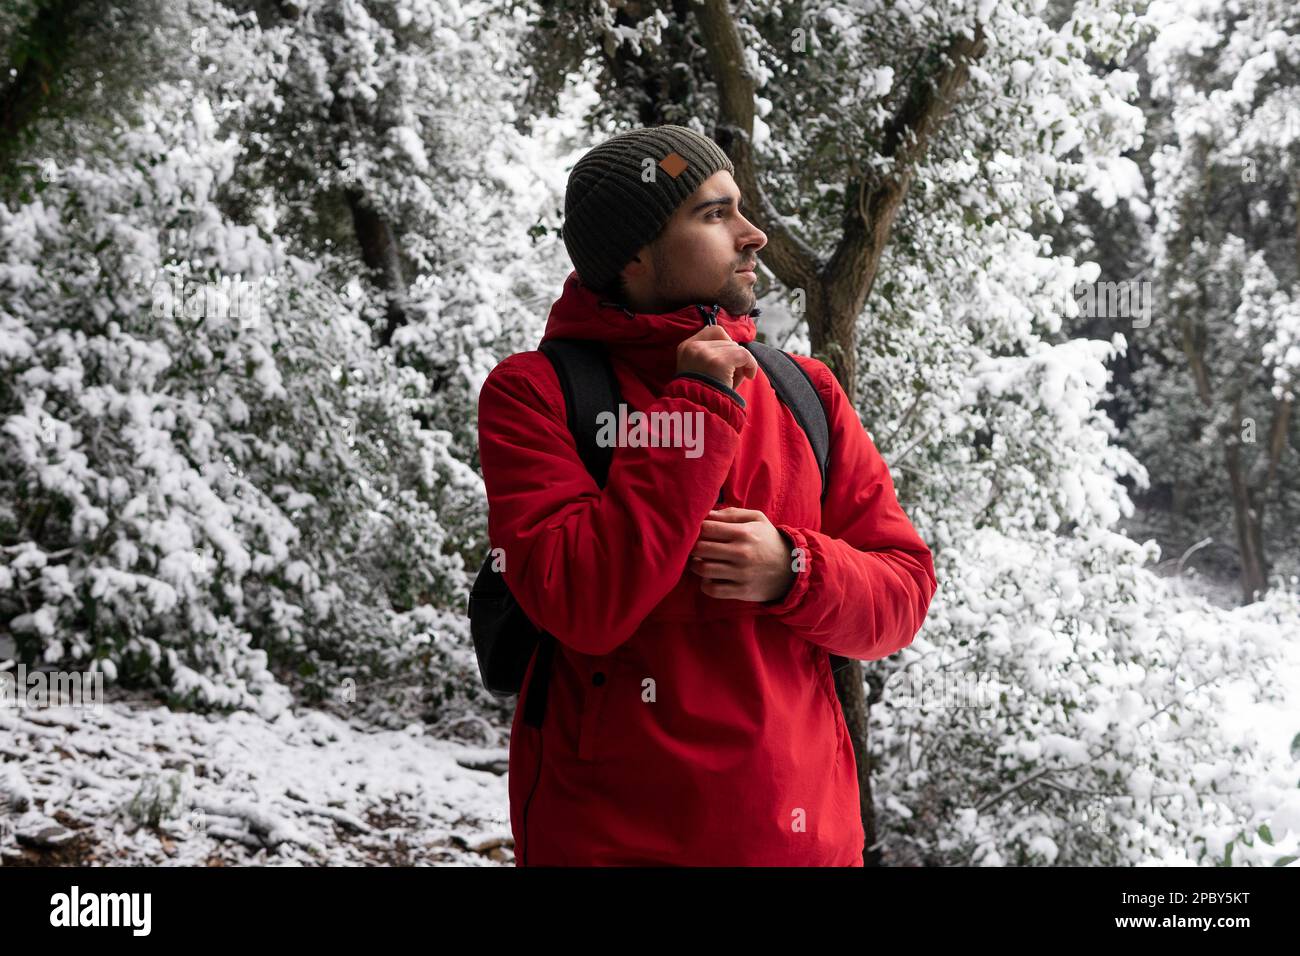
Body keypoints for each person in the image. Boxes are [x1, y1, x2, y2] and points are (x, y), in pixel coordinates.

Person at [475, 124, 938, 866]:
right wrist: (693, 407)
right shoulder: (534, 395)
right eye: (714, 214)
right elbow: (583, 601)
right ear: (633, 254)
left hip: (804, 842)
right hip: (608, 841)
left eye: (740, 209)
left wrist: (796, 569)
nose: (753, 235)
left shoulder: (804, 390)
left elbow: (904, 590)